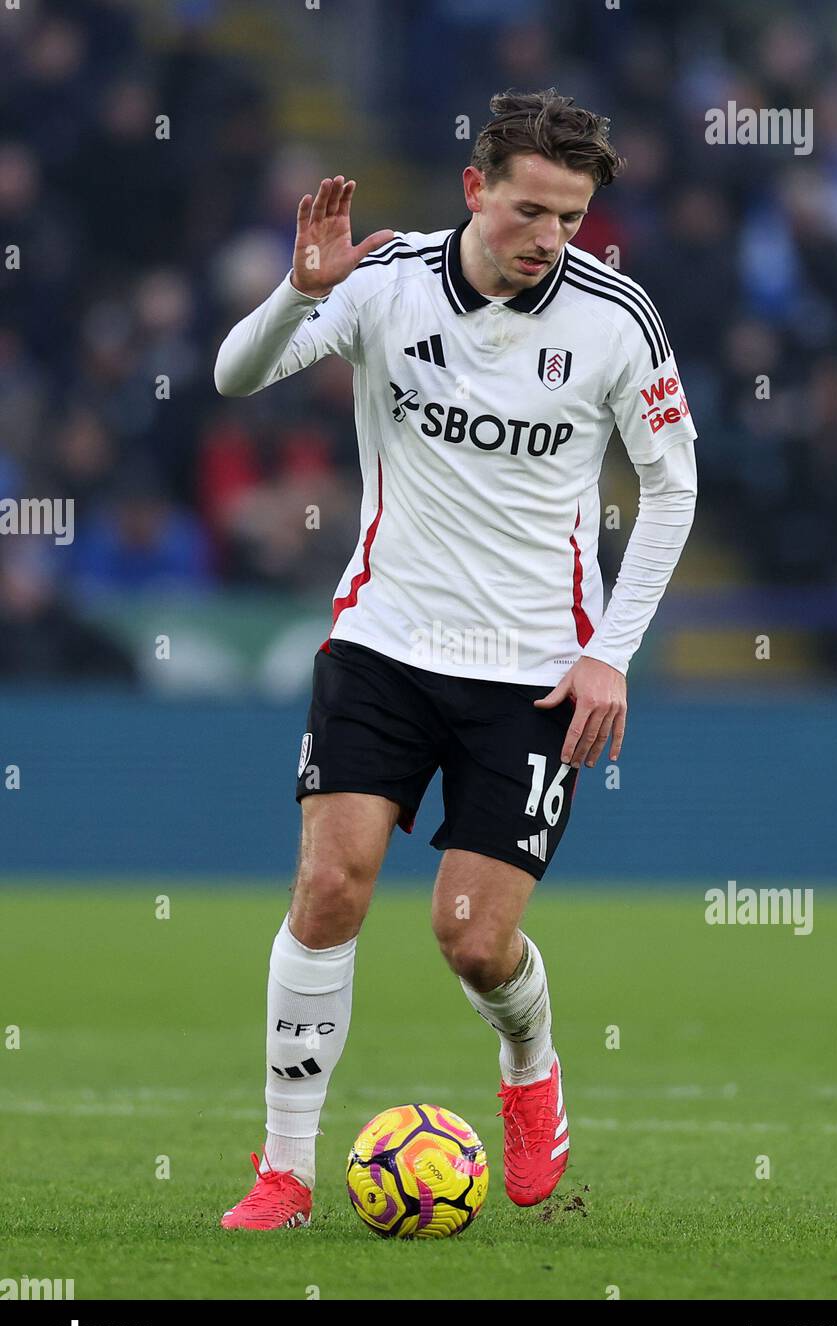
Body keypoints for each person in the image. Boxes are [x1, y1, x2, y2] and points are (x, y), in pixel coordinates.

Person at [213, 88, 698, 1230]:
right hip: (383, 639)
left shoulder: (616, 321)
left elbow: (672, 487)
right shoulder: (381, 282)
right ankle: (284, 1169)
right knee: (330, 886)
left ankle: (530, 1064)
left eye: (570, 220)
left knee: (473, 939)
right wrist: (299, 293)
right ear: (475, 188)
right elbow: (236, 376)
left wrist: (609, 656)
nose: (548, 239)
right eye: (530, 210)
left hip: (534, 670)